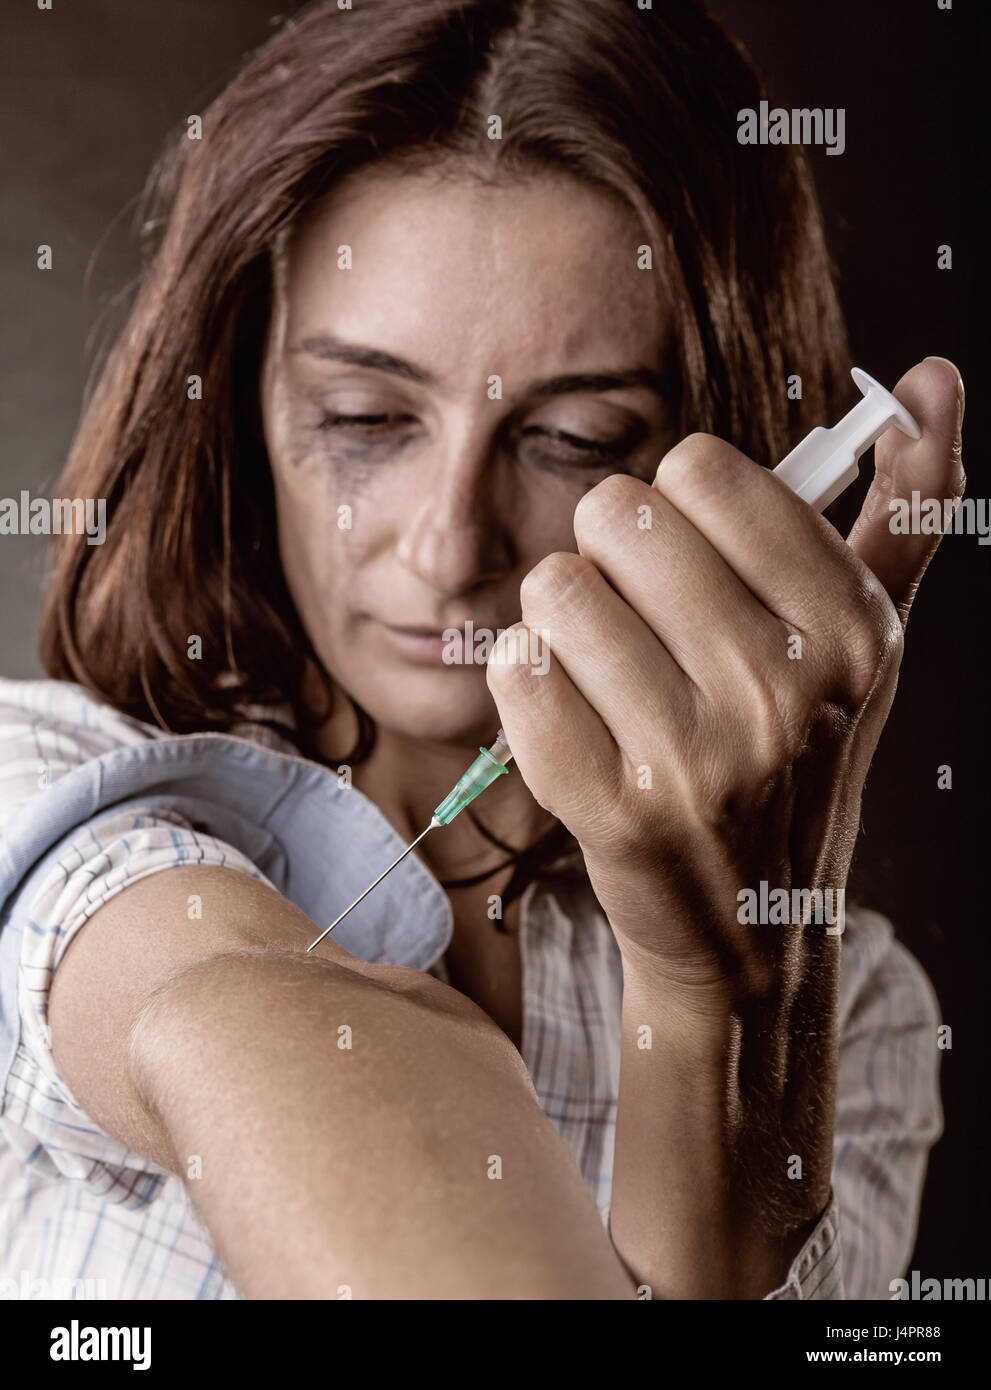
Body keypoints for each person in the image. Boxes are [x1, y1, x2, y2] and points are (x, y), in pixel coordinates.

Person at [0, 0, 957, 1300]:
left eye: (572, 441)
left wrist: (713, 1004)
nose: (450, 548)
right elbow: (255, 1021)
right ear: (243, 406)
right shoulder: (60, 778)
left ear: (733, 470)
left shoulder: (857, 1019)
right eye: (364, 416)